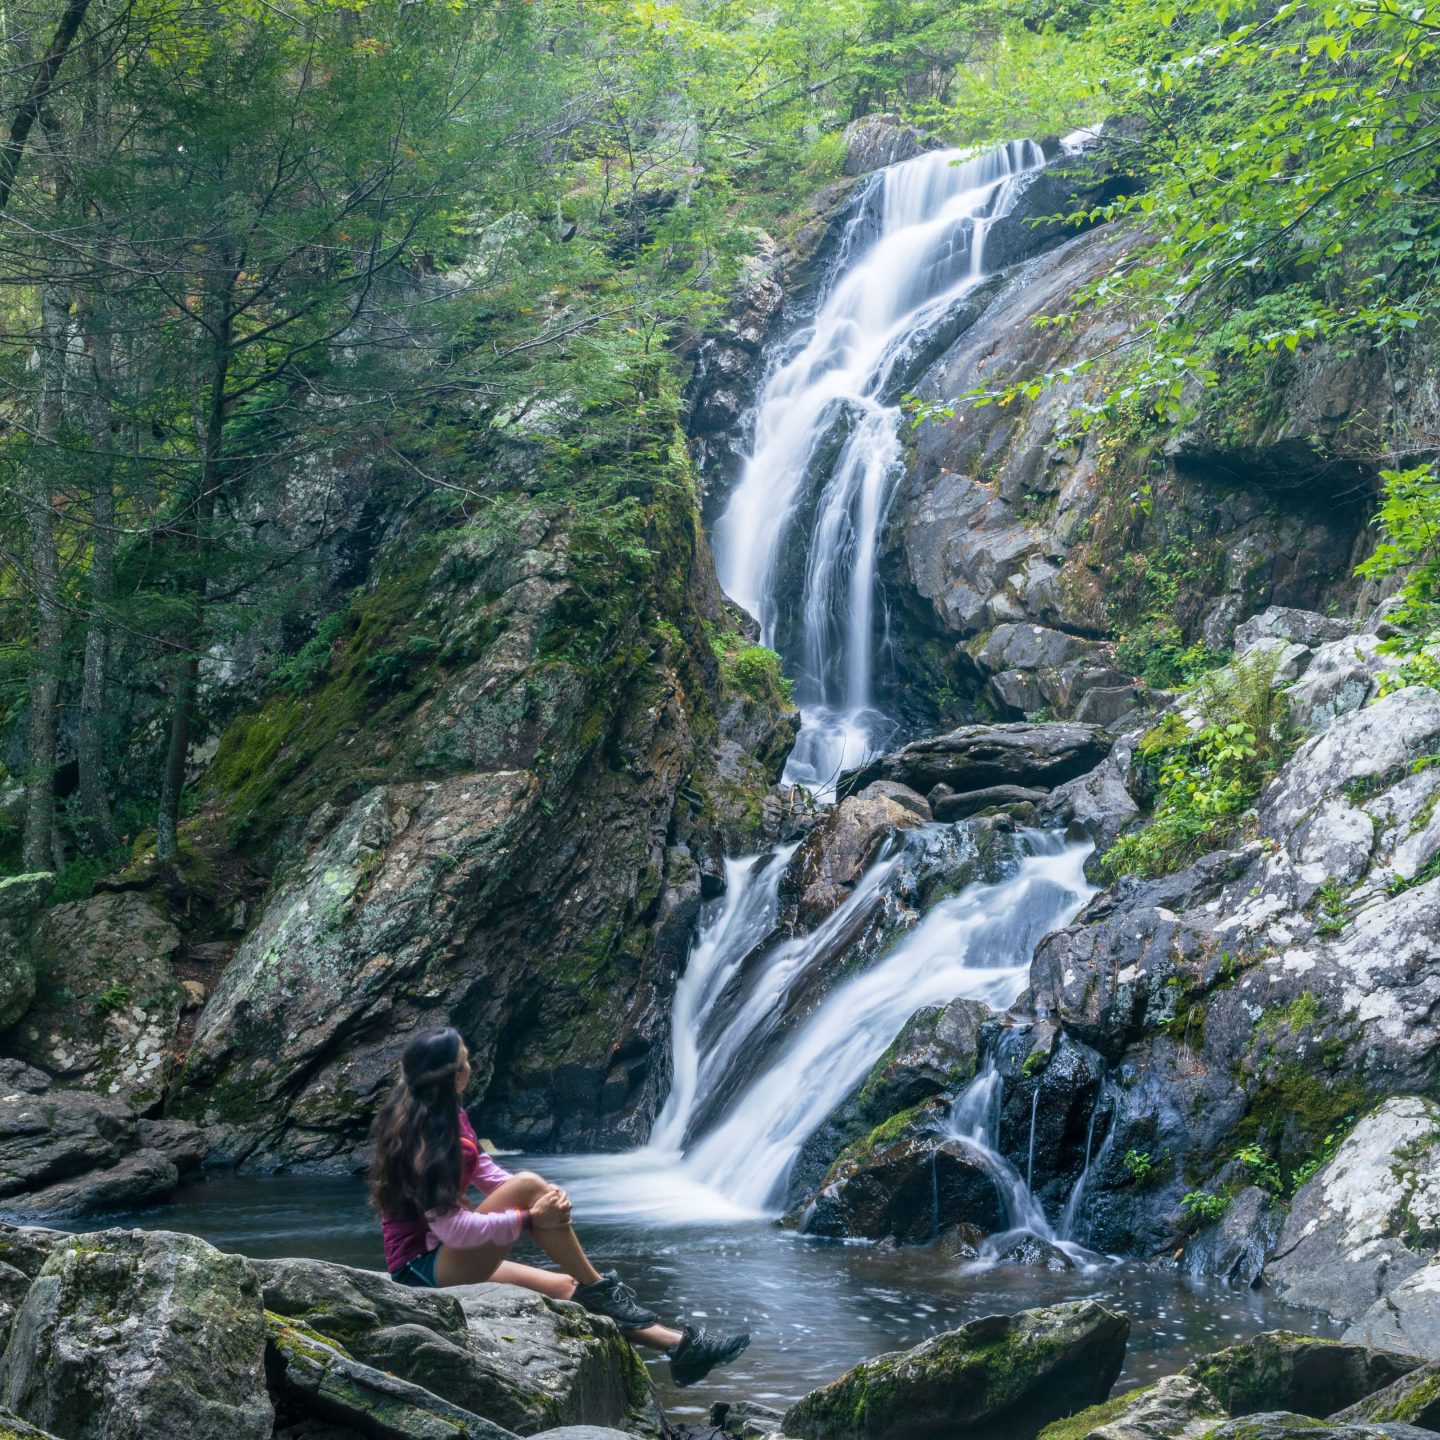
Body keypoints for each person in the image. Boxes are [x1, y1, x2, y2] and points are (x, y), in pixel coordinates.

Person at [369, 1026, 751, 1387]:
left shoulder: (438, 1115)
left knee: (566, 1287)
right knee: (530, 1190)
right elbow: (455, 1230)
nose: (472, 1067)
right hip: (422, 1273)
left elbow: (486, 1172)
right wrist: (528, 1216)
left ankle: (679, 1347)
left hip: (439, 1258)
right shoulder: (433, 1141)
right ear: (456, 1077)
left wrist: (544, 1196)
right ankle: (600, 1286)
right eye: (467, 1061)